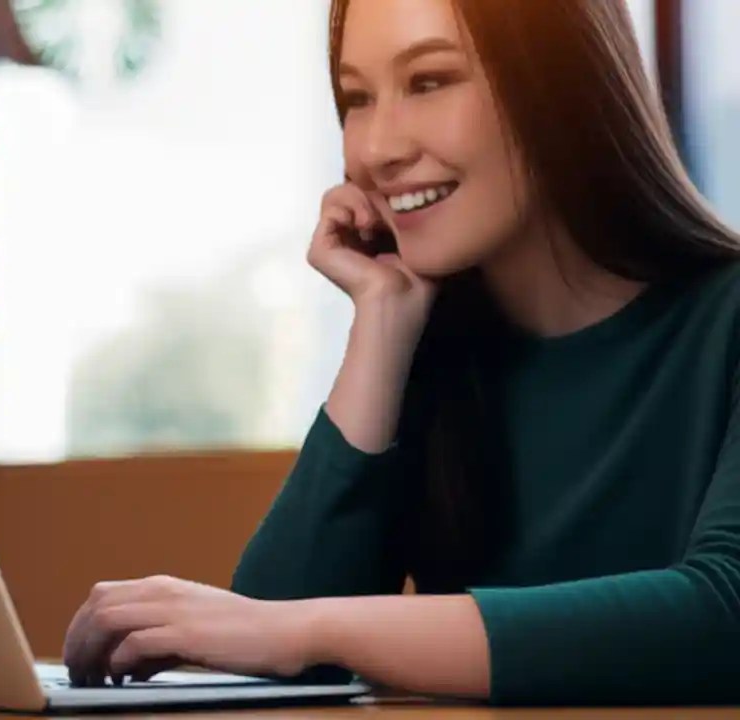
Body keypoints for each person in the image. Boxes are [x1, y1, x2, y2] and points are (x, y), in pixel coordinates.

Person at [60, 0, 740, 705]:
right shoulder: (430, 353)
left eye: (429, 81)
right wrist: (382, 321)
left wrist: (312, 630)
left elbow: (726, 613)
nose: (377, 149)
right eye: (357, 98)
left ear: (564, 82)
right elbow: (273, 652)